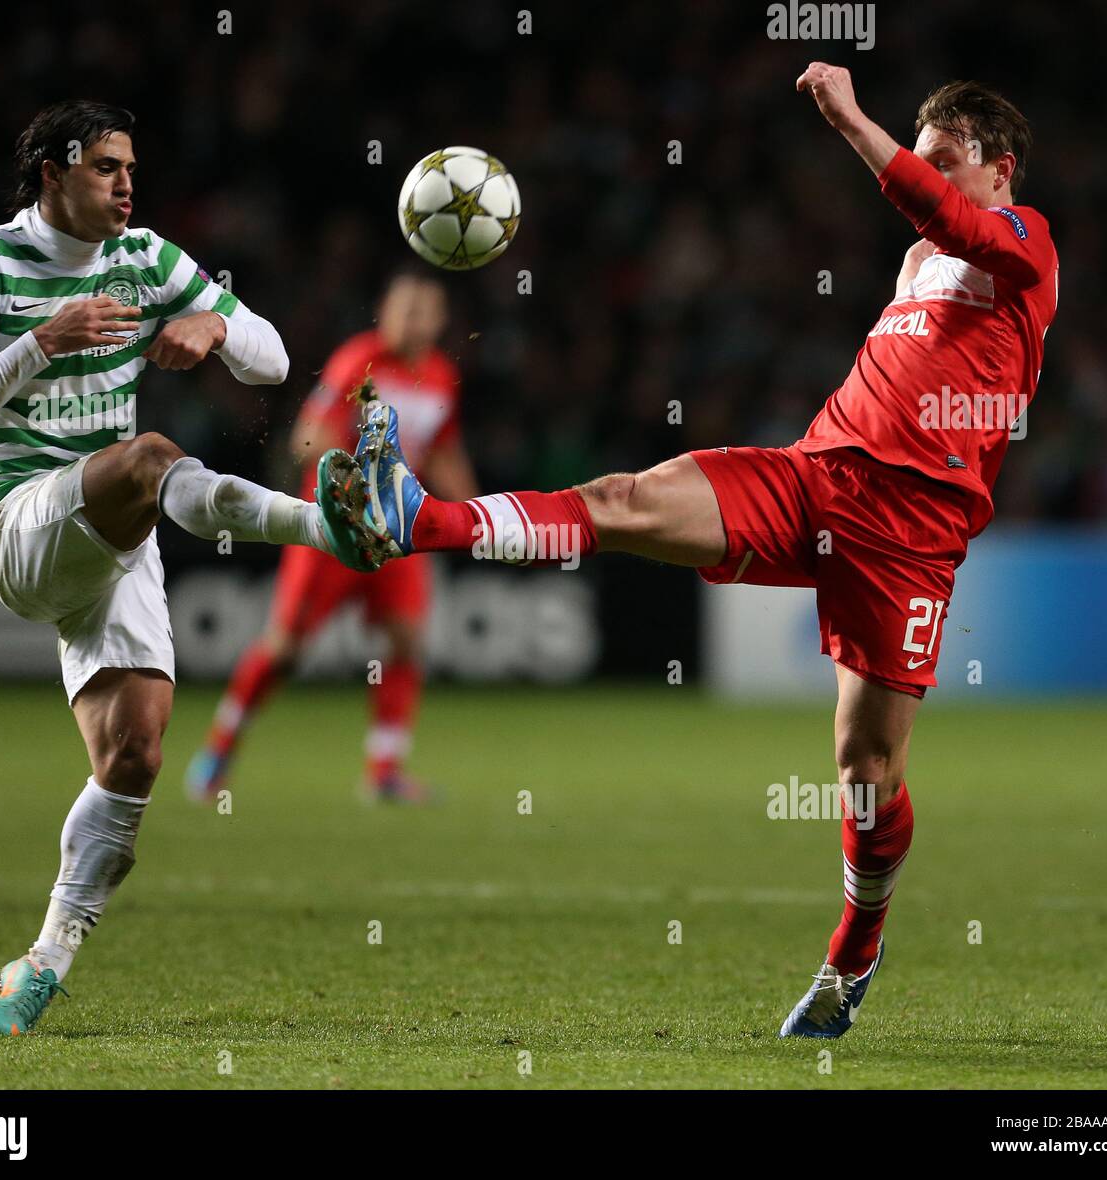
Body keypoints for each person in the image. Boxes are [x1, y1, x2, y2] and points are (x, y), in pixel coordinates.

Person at [336, 68, 1059, 1038]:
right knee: (624, 499)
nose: (926, 177)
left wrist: (851, 121)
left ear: (997, 167)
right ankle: (414, 520)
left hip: (910, 535)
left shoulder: (1025, 244)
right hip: (812, 478)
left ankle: (856, 943)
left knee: (863, 768)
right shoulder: (916, 271)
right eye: (920, 156)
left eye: (943, 160)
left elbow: (955, 223)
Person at [0, 99, 374, 1035]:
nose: (127, 184)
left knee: (137, 751)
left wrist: (211, 328)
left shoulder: (146, 256)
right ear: (52, 172)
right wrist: (40, 340)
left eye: (131, 168)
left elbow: (275, 359)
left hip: (115, 532)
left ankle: (43, 959)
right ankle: (327, 526)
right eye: (106, 168)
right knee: (153, 457)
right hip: (19, 522)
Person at [187, 270, 476, 803]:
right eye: (401, 306)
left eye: (421, 310)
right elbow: (307, 436)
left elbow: (441, 451)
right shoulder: (358, 362)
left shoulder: (438, 376)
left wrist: (475, 521)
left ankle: (385, 770)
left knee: (408, 640)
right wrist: (354, 485)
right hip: (335, 530)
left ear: (439, 321)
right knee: (285, 648)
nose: (410, 318)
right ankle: (219, 750)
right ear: (384, 311)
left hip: (398, 535)